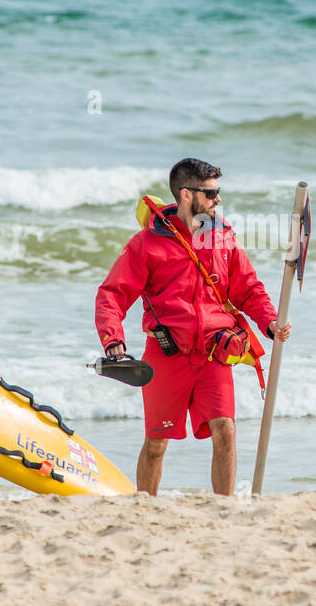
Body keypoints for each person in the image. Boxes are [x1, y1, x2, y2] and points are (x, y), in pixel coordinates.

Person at [95, 158, 291, 496]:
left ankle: (223, 509)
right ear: (187, 194)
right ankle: (145, 508)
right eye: (212, 193)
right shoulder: (146, 244)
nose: (218, 200)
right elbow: (112, 294)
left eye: (219, 192)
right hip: (167, 353)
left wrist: (269, 322)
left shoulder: (223, 236)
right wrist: (114, 342)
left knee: (226, 430)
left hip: (214, 350)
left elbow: (248, 288)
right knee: (157, 443)